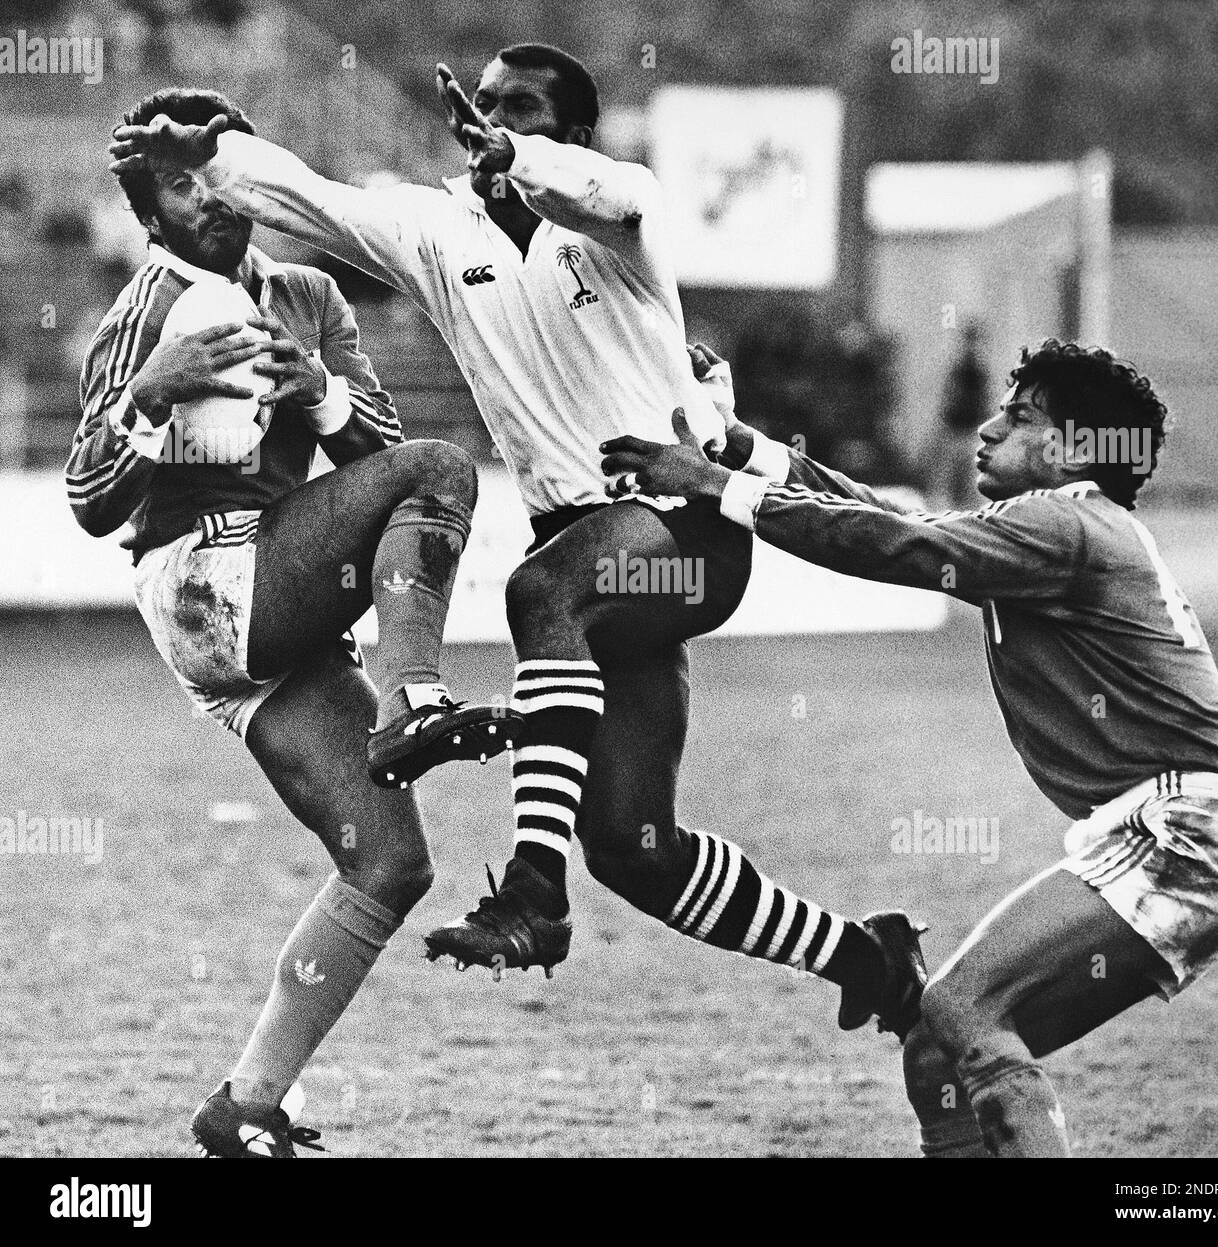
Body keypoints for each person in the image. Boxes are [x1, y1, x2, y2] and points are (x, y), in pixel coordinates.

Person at [108, 48, 927, 1037]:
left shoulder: (619, 218)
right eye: (483, 106)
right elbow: (316, 199)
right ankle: (866, 954)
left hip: (684, 529)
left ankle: (533, 893)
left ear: (573, 132)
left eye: (522, 111)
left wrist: (524, 157)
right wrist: (220, 152)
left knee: (541, 593)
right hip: (591, 558)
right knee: (635, 844)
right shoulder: (438, 231)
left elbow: (607, 188)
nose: (486, 123)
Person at [603, 339, 1218, 1158]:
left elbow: (899, 549)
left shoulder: (1067, 524)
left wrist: (718, 487)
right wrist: (744, 448)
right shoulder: (1059, 526)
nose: (985, 430)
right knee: (937, 1050)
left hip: (1181, 835)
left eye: (1017, 416)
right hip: (1180, 833)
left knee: (962, 1007)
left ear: (1073, 450)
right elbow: (894, 522)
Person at [73, 88, 515, 1156]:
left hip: (267, 626)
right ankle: (415, 698)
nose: (207, 199)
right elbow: (91, 499)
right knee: (447, 467)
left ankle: (246, 1103)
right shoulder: (142, 311)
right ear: (150, 217)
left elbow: (376, 458)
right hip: (201, 579)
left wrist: (315, 391)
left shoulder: (308, 296)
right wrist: (150, 390)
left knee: (389, 862)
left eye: (217, 172)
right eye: (179, 186)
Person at [933, 321, 990, 509]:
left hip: (971, 430)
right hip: (955, 429)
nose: (972, 346)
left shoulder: (980, 371)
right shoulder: (958, 369)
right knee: (948, 480)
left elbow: (983, 401)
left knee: (970, 482)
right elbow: (949, 398)